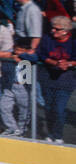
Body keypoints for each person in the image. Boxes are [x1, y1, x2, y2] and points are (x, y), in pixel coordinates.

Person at [0, 0, 43, 137]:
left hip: (24, 52)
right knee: (10, 90)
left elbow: (36, 35)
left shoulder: (32, 10)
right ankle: (13, 128)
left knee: (23, 95)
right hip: (18, 47)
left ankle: (22, 129)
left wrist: (28, 55)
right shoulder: (24, 8)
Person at [25, 15, 76, 143]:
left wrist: (68, 64)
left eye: (56, 29)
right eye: (52, 28)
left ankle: (57, 135)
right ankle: (50, 133)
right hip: (47, 78)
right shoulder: (47, 38)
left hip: (66, 80)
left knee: (59, 108)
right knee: (48, 108)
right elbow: (42, 55)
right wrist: (55, 63)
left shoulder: (74, 41)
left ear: (65, 31)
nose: (53, 31)